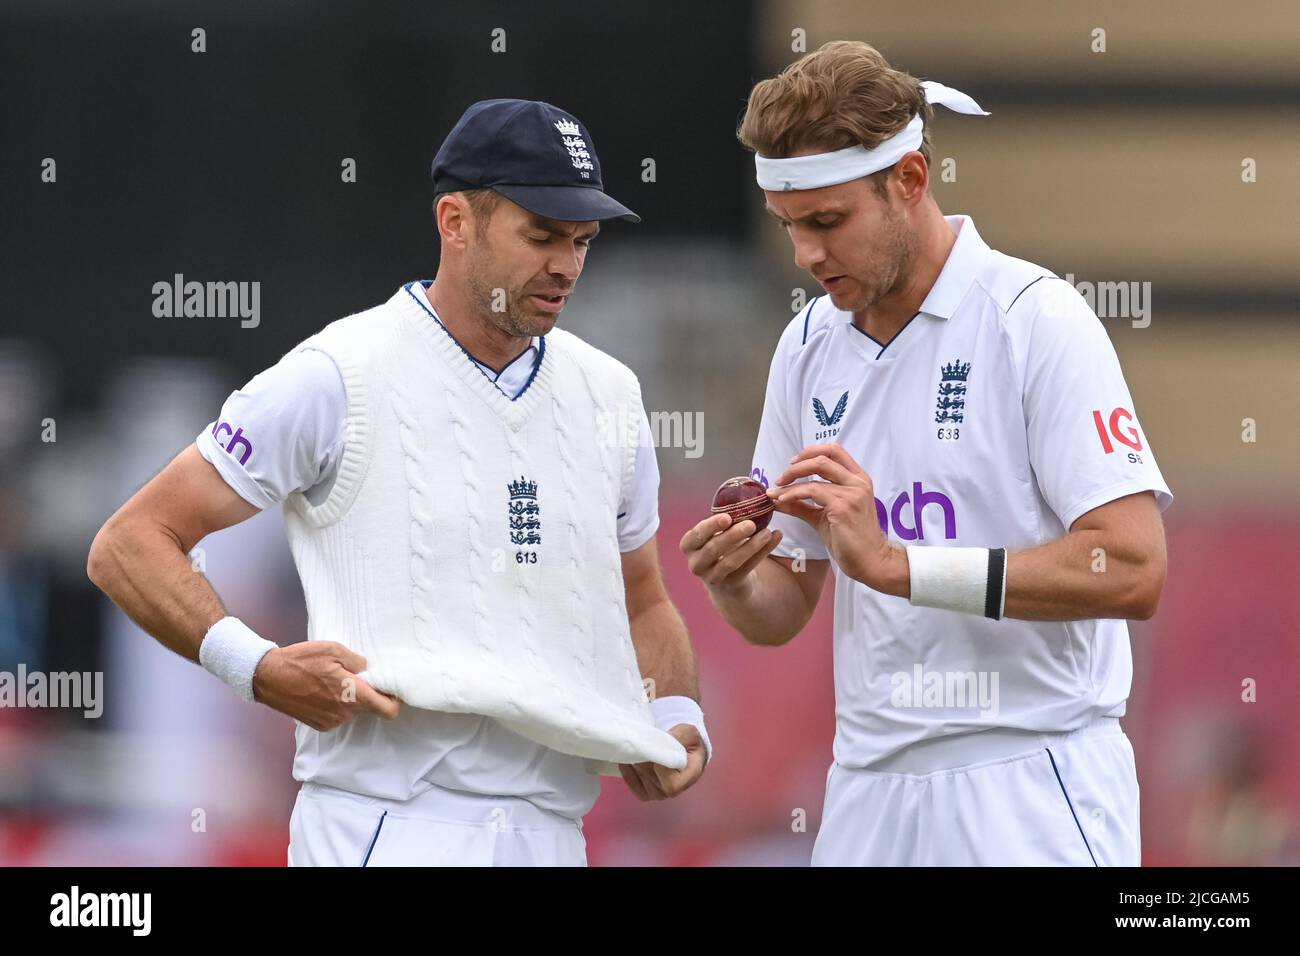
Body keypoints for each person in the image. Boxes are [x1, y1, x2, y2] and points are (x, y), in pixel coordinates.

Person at [88, 99, 710, 867]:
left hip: (553, 833)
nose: (567, 265)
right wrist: (257, 668)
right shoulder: (338, 374)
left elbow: (643, 597)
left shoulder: (610, 394)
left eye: (582, 241)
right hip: (384, 826)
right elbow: (129, 544)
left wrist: (675, 713)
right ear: (455, 221)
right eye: (541, 235)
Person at [681, 41, 1170, 865]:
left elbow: (1130, 569)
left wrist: (900, 564)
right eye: (790, 227)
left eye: (828, 222)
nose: (805, 256)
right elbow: (784, 605)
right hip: (867, 789)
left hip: (1030, 779)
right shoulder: (806, 345)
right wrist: (736, 580)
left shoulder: (1035, 322)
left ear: (909, 179)